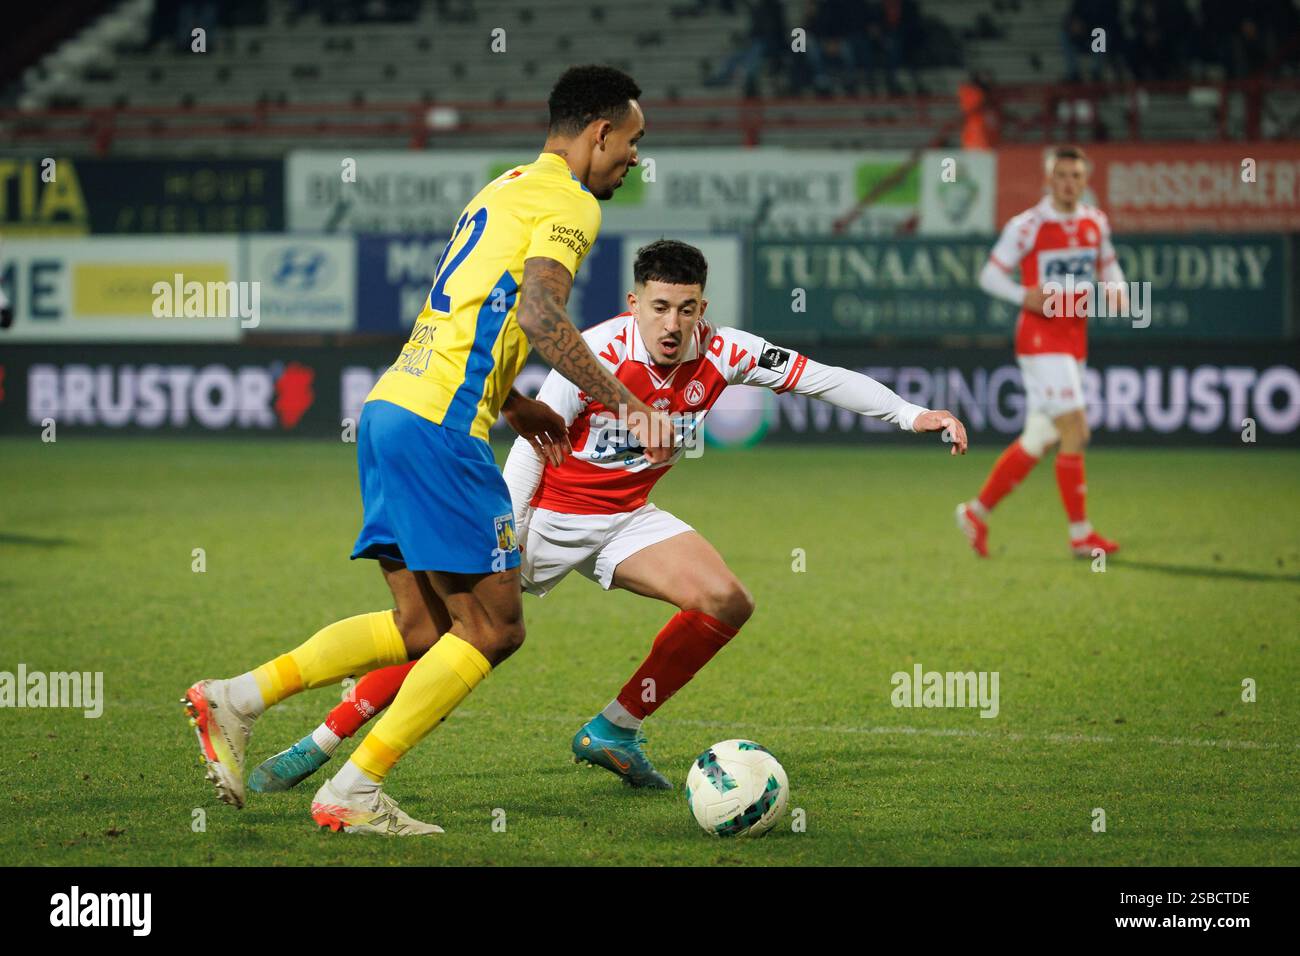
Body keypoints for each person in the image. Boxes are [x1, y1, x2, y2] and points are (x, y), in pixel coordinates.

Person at [246, 239, 969, 794]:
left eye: (687, 309)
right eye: (660, 307)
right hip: (546, 518)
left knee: (726, 600)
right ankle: (322, 738)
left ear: (702, 311)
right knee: (448, 632)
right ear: (634, 303)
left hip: (627, 518)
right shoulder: (594, 354)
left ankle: (615, 729)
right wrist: (509, 534)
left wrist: (911, 415)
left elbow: (820, 377)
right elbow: (533, 446)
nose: (673, 324)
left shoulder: (725, 353)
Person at [182, 65, 675, 835]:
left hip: (392, 409)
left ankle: (237, 697)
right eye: (632, 141)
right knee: (495, 629)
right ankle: (355, 787)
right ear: (599, 132)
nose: (635, 159)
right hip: (440, 430)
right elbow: (544, 314)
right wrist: (629, 405)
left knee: (424, 629)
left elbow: (472, 310)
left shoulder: (502, 187)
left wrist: (511, 401)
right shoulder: (571, 203)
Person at [957, 145, 1124, 560]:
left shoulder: (1095, 222)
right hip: (1040, 337)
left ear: (1085, 182)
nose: (1070, 183)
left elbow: (1108, 265)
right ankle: (1080, 535)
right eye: (1062, 176)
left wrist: (1117, 288)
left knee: (1043, 435)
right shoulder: (1027, 226)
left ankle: (976, 513)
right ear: (1049, 180)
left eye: (1077, 177)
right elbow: (989, 276)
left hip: (1074, 337)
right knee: (1076, 429)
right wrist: (1022, 295)